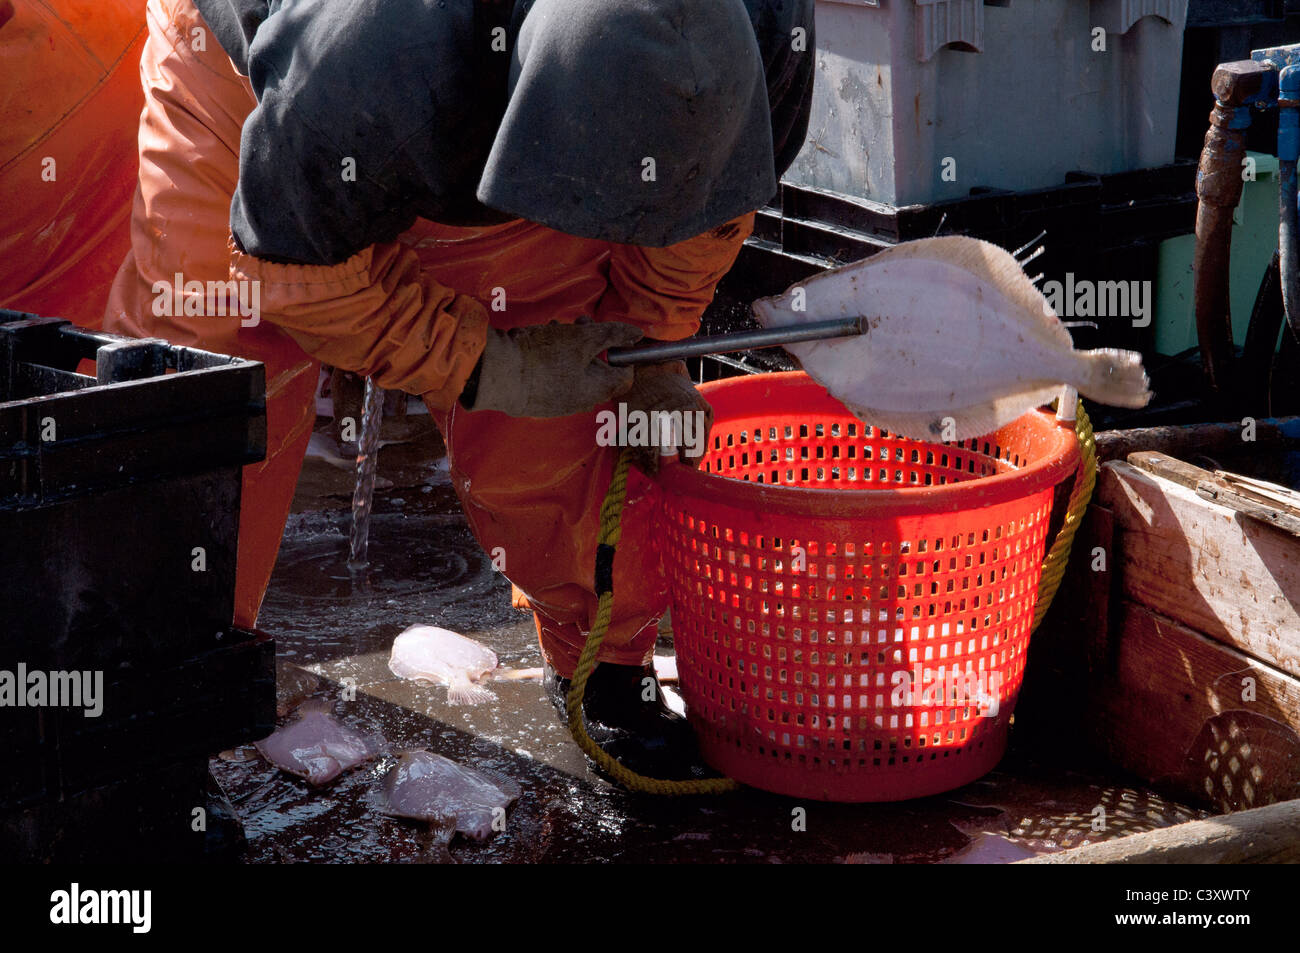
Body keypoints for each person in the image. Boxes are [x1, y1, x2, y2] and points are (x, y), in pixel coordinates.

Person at [102, 0, 814, 778]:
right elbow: (296, 276)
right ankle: (148, 695)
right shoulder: (368, 57)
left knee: (583, 391)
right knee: (196, 388)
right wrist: (486, 364)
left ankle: (603, 661)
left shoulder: (776, 36)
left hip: (469, 82)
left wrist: (656, 339)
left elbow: (709, 209)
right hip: (256, 92)